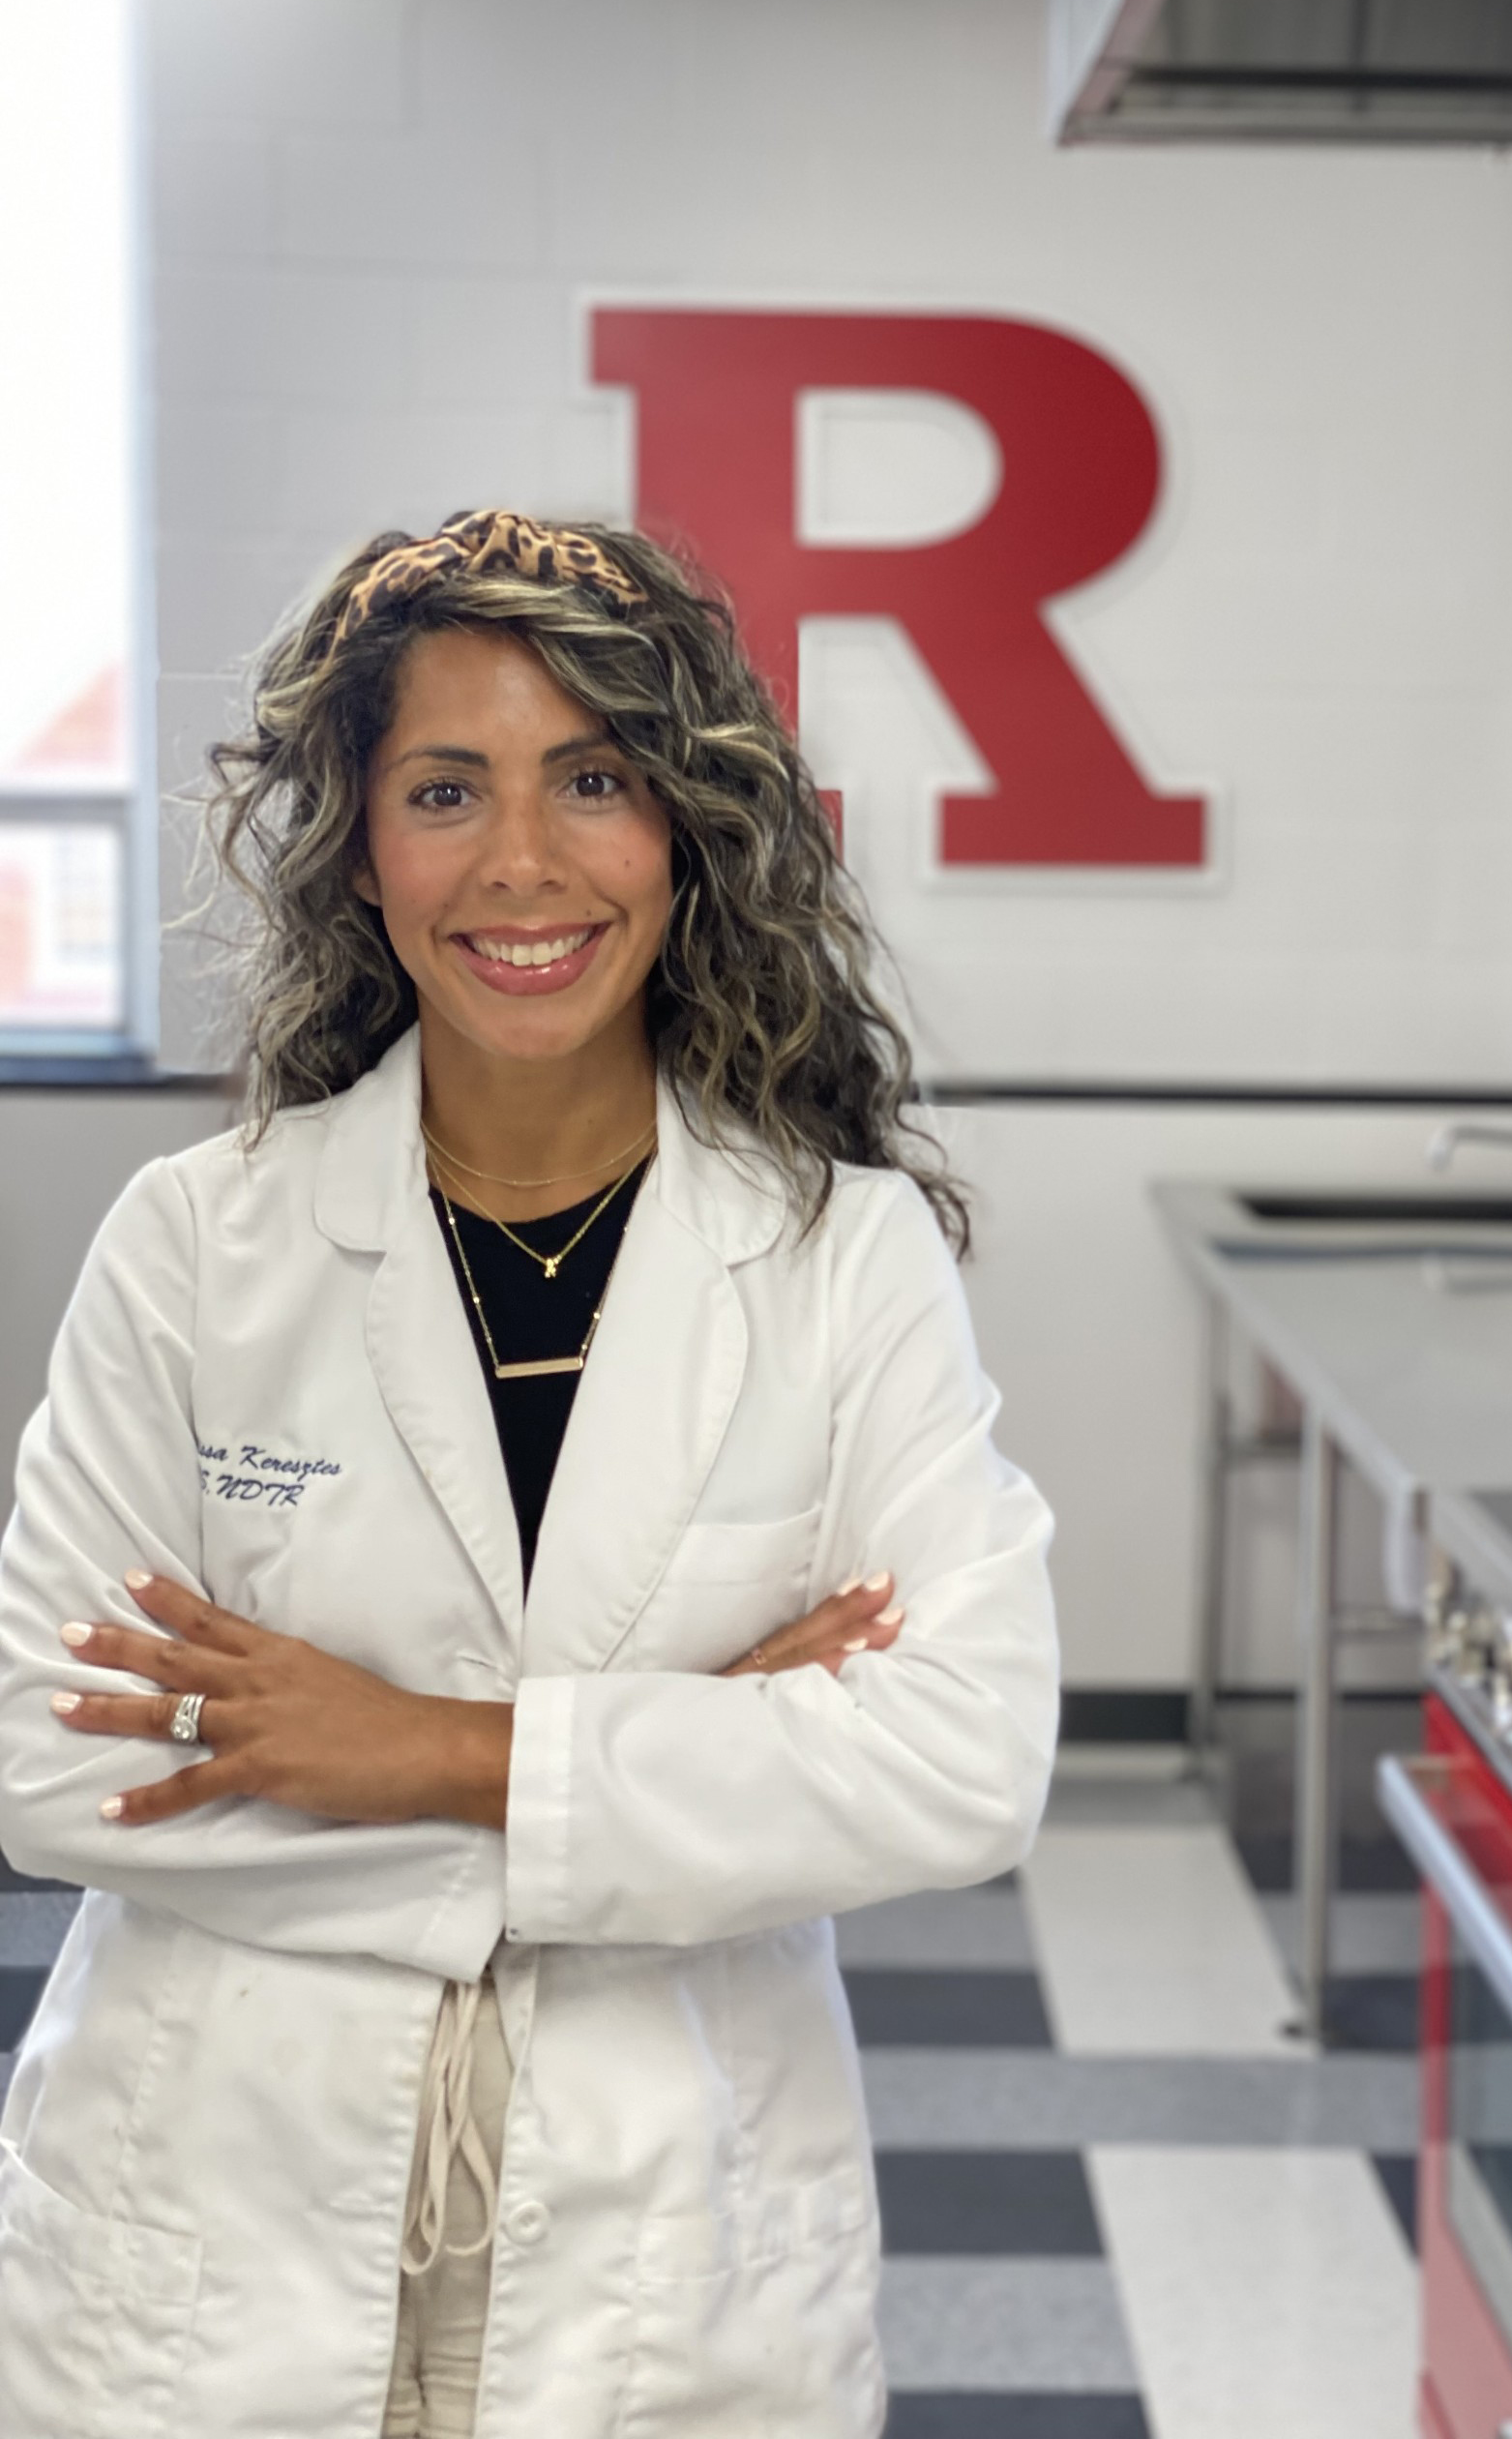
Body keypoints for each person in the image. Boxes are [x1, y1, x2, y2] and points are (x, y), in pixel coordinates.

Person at [0, 509, 1058, 2438]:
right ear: (360, 845)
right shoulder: (199, 1243)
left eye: (591, 779)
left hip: (674, 2274)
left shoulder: (844, 1258)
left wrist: (405, 1746)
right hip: (208, 2254)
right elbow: (54, 1758)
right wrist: (687, 1762)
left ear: (688, 823)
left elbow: (963, 1754)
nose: (519, 862)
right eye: (443, 789)